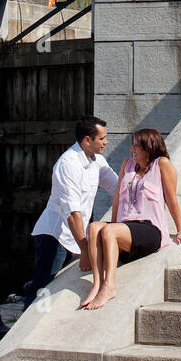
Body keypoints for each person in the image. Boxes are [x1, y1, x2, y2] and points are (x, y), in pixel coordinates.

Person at [81, 127, 181, 310]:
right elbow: (117, 198)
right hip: (126, 227)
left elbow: (171, 199)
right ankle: (97, 284)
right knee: (94, 228)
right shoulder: (127, 165)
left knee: (108, 230)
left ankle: (109, 287)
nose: (132, 149)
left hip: (150, 228)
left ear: (149, 149)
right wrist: (113, 227)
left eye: (137, 147)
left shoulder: (162, 164)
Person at [22, 115, 118, 310]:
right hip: (55, 236)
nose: (106, 142)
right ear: (87, 140)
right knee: (43, 288)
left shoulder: (97, 161)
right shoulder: (68, 164)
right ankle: (21, 327)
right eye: (102, 138)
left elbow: (117, 188)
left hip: (75, 235)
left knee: (54, 288)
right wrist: (85, 249)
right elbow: (72, 213)